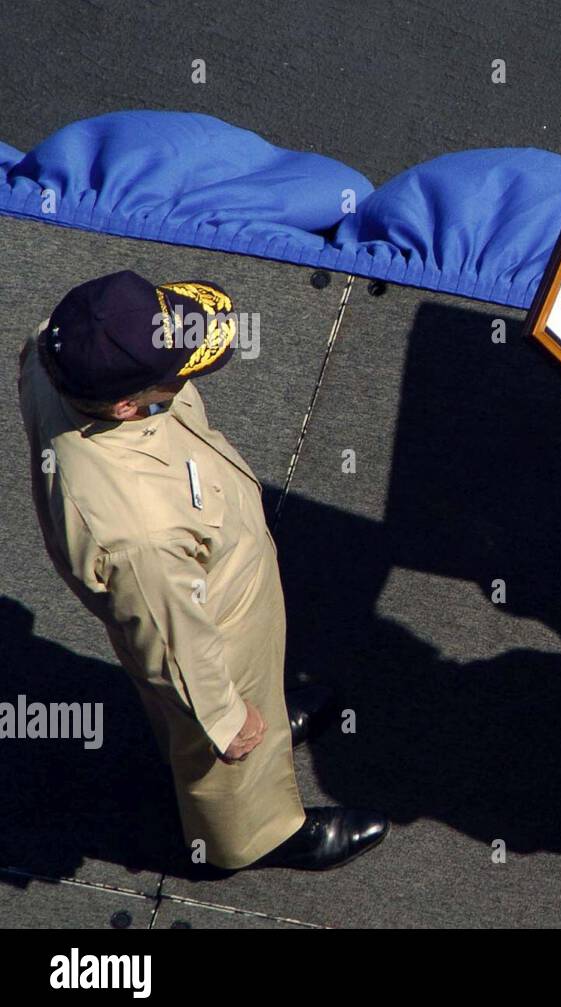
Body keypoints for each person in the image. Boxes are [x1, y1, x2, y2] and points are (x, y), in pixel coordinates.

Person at [18, 270, 389, 871]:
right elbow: (174, 643)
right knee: (220, 740)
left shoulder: (55, 348)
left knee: (214, 692)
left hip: (182, 565)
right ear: (125, 405)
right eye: (175, 372)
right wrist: (224, 714)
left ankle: (252, 716)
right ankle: (254, 834)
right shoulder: (139, 533)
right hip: (201, 608)